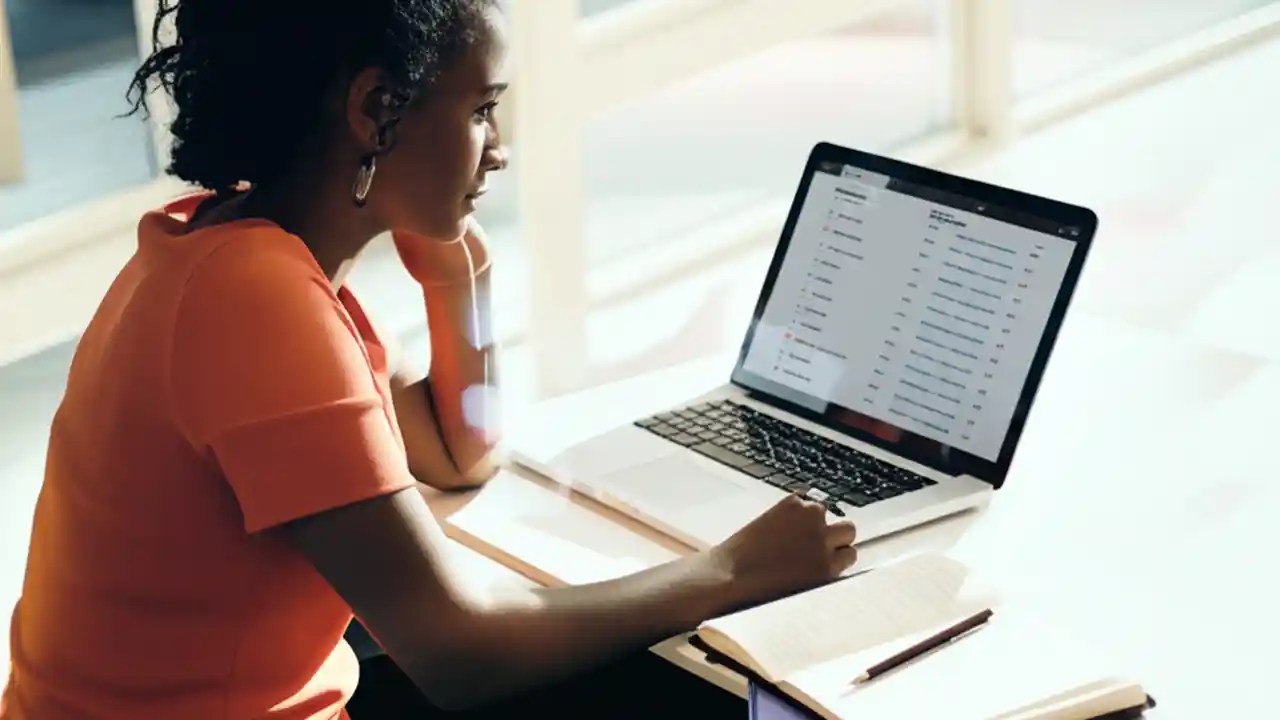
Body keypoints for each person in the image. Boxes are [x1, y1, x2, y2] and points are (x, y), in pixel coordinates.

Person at [0, 1, 859, 718]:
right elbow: (459, 650)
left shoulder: (226, 250)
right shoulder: (256, 302)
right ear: (376, 109)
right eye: (482, 110)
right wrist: (732, 571)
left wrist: (461, 278)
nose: (499, 148)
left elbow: (459, 446)